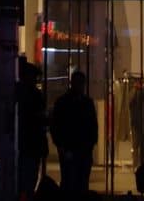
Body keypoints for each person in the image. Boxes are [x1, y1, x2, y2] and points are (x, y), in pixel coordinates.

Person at [50, 70, 100, 198]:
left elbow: (93, 126)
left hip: (79, 149)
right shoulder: (80, 103)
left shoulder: (69, 102)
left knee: (77, 182)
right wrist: (61, 146)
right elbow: (56, 125)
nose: (80, 86)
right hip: (72, 148)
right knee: (73, 182)